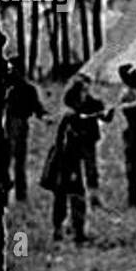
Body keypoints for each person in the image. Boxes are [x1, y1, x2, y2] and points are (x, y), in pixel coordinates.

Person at [41, 83, 95, 245]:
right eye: (83, 92)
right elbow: (69, 142)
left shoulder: (68, 114)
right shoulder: (72, 117)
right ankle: (78, 232)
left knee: (60, 197)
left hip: (60, 160)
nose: (86, 95)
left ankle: (58, 229)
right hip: (68, 161)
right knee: (77, 196)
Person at [3, 57, 48, 203]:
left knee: (16, 162)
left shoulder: (26, 89)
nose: (9, 72)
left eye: (12, 69)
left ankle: (19, 195)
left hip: (18, 125)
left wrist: (45, 116)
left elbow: (37, 108)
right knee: (11, 162)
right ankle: (14, 194)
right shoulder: (9, 87)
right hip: (10, 125)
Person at [72, 75, 113, 203]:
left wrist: (109, 113)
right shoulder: (71, 101)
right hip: (76, 138)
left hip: (88, 139)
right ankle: (79, 195)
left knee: (91, 169)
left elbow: (106, 118)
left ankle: (93, 197)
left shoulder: (93, 103)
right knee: (77, 170)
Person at [117, 64, 136, 210]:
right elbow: (130, 109)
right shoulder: (128, 94)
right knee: (133, 169)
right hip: (135, 133)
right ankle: (135, 200)